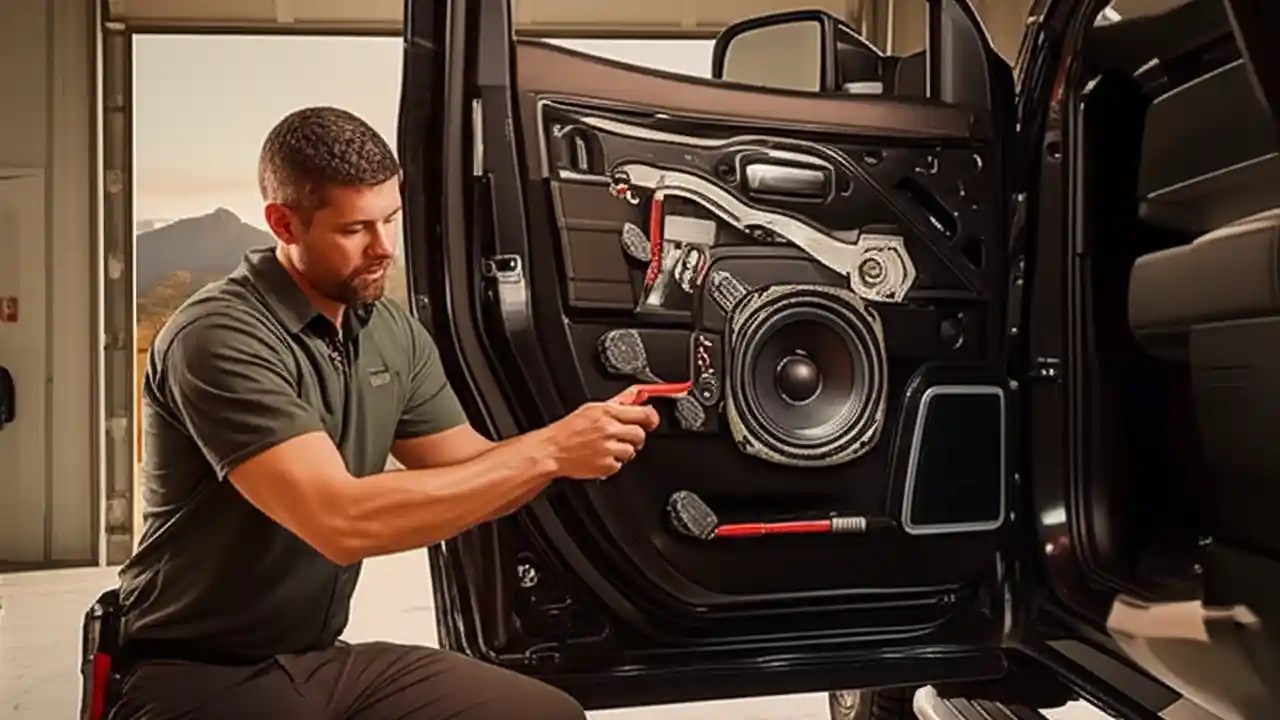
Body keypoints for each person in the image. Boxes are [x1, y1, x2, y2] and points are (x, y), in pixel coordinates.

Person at [111, 105, 659, 719]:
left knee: (544, 715)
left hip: (317, 659)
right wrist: (550, 451)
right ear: (283, 223)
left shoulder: (389, 332)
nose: (383, 248)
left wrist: (577, 444)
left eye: (391, 219)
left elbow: (476, 470)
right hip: (194, 673)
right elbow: (339, 522)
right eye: (354, 230)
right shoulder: (220, 335)